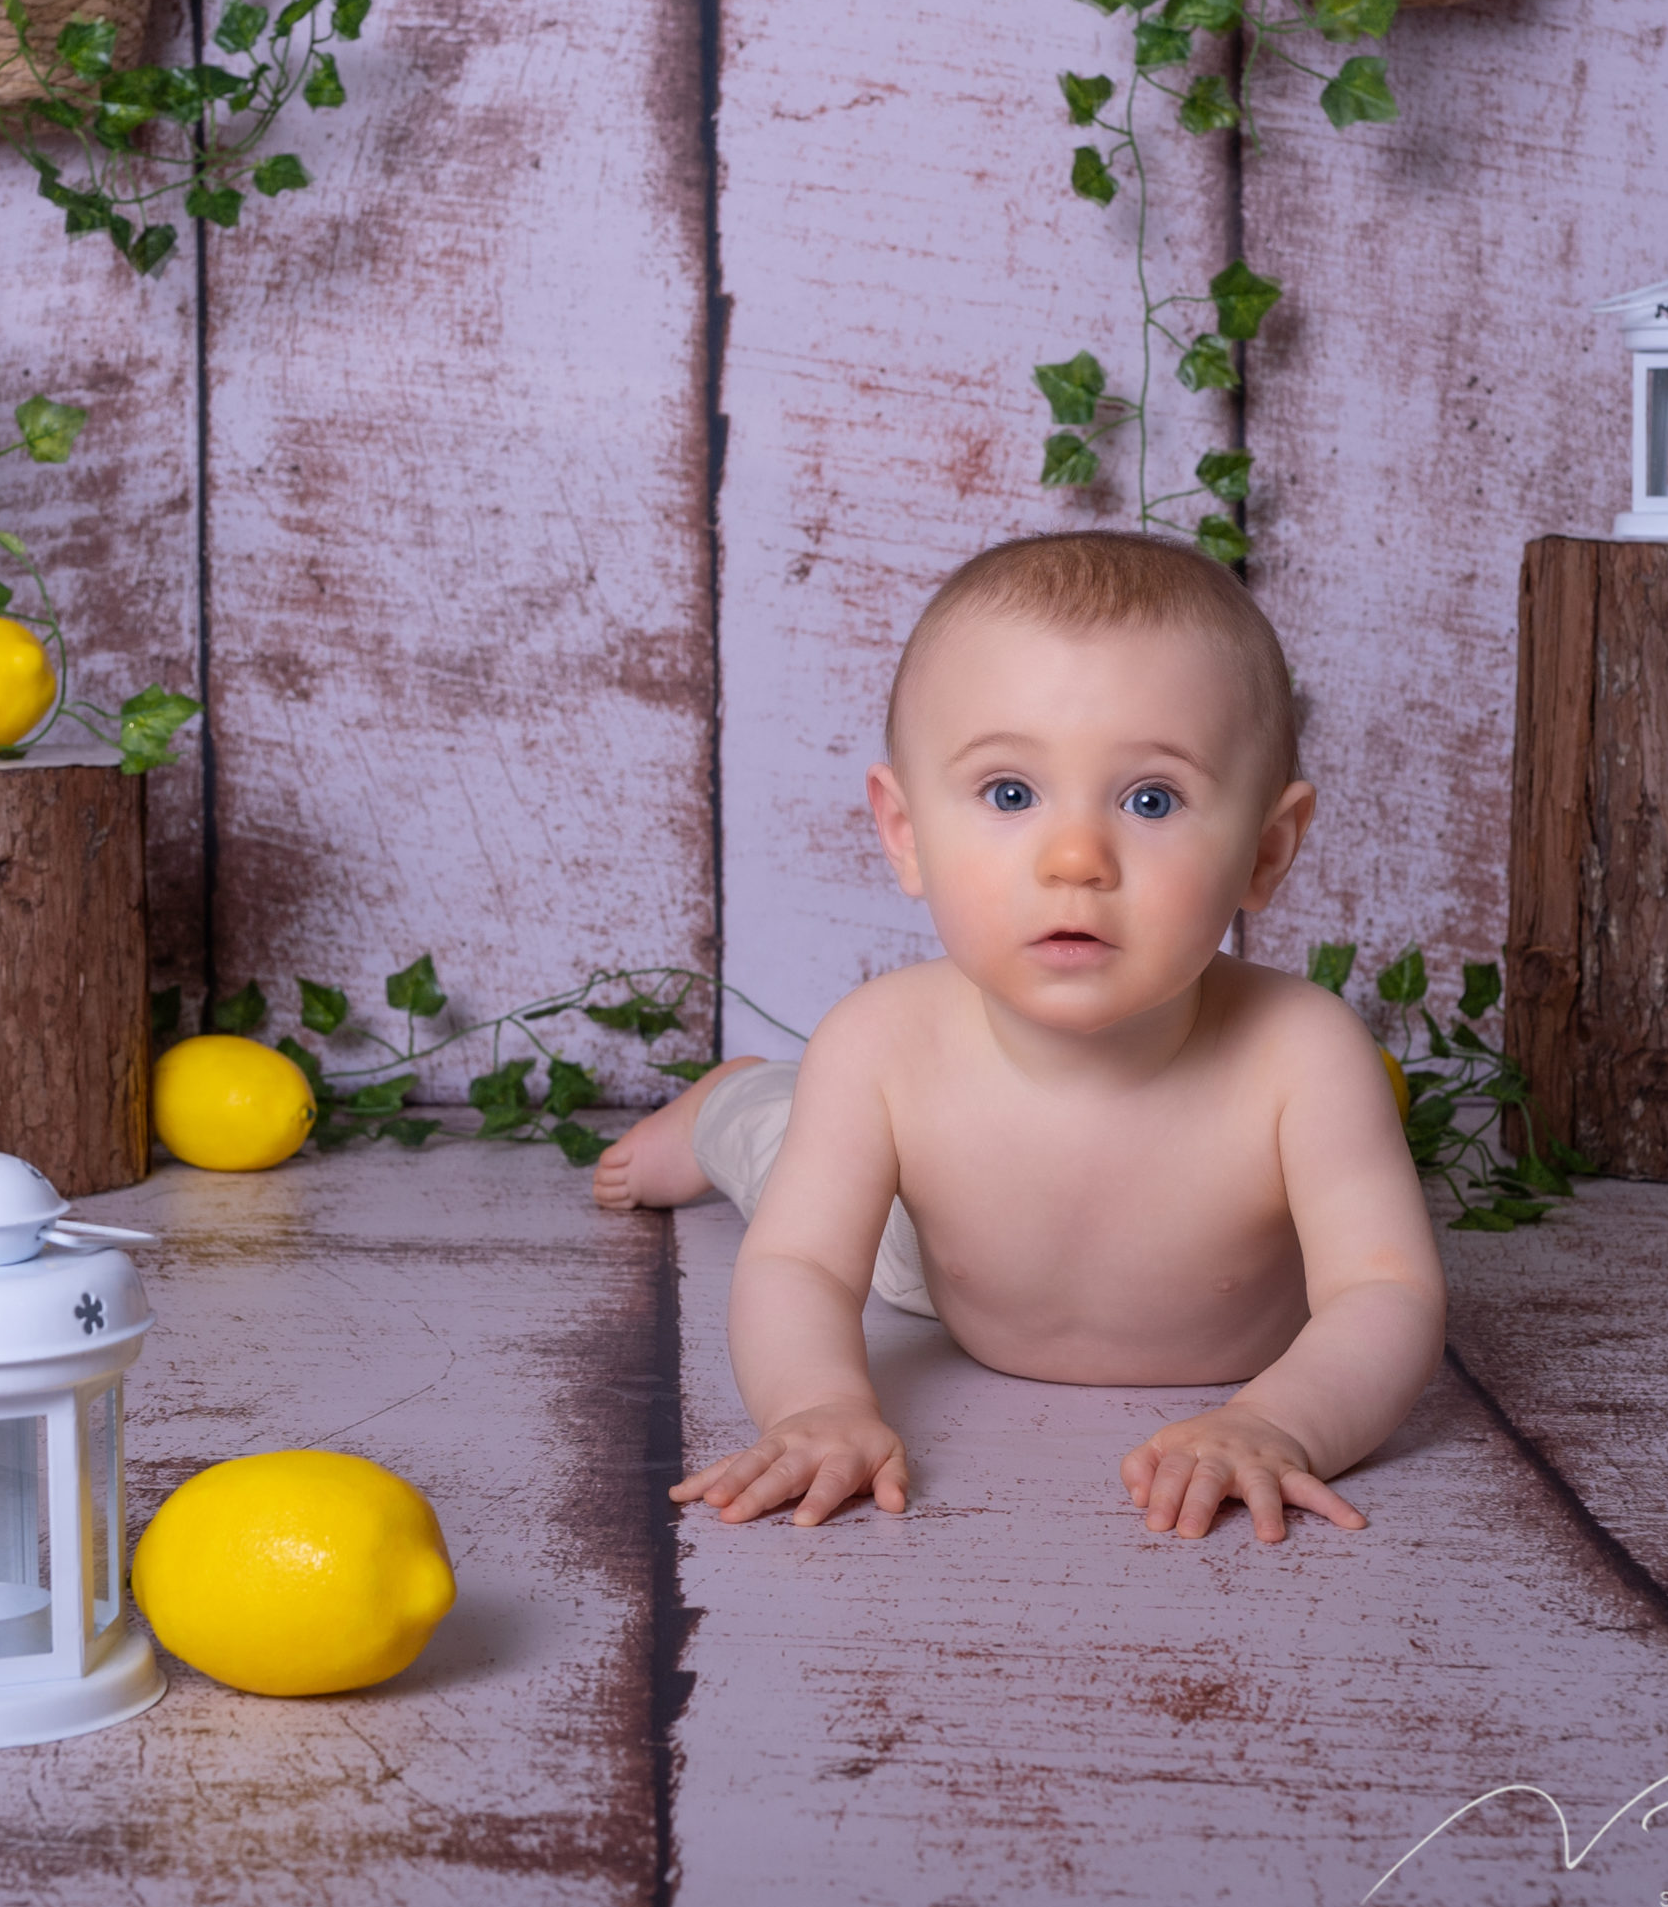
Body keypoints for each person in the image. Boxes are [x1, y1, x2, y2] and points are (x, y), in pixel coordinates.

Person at [594, 529, 1444, 1542]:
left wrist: (1277, 1419)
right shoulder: (883, 1046)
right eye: (1009, 793)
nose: (1076, 857)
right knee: (789, 1170)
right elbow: (803, 1268)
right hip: (933, 1253)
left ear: (1265, 852)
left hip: (1003, 1247)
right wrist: (816, 1406)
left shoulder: (1302, 1055)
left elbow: (1383, 1291)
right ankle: (730, 1098)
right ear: (905, 834)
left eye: (1150, 799)